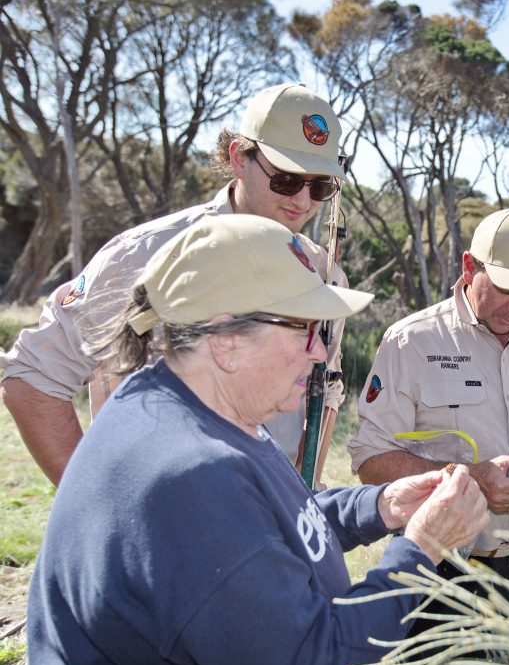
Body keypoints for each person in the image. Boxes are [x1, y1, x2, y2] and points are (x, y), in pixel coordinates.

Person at [27, 214, 489, 665]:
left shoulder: (192, 409)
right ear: (227, 340)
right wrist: (421, 549)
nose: (319, 352)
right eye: (304, 328)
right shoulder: (190, 476)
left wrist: (379, 506)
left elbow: (266, 528)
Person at [1, 82, 349, 487]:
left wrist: (301, 501)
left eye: (320, 186)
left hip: (267, 514)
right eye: (286, 179)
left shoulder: (324, 275)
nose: (303, 202)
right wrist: (98, 502)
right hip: (160, 512)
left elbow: (327, 392)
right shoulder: (143, 254)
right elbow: (33, 378)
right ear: (239, 158)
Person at [348, 207, 509, 631]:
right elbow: (371, 461)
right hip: (433, 566)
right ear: (469, 267)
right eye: (506, 288)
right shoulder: (411, 341)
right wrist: (471, 480)